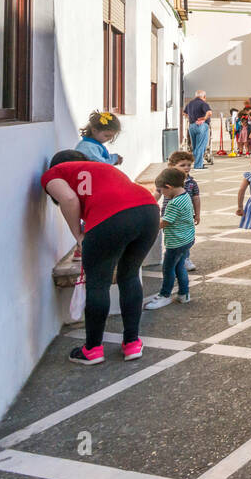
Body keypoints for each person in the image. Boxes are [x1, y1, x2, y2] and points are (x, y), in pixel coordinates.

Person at [41, 151, 159, 364]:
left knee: (97, 284)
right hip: (148, 210)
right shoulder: (104, 168)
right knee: (129, 275)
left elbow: (68, 198)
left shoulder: (53, 173)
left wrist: (78, 235)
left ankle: (92, 349)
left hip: (111, 220)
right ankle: (132, 343)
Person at [145, 167, 196, 310]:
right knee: (180, 267)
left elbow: (164, 222)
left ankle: (165, 295)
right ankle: (184, 294)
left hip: (176, 243)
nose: (162, 194)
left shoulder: (174, 203)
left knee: (168, 269)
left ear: (168, 187)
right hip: (186, 239)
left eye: (161, 191)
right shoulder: (185, 195)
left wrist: (148, 225)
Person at [164, 150, 201, 271]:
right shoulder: (167, 182)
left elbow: (196, 198)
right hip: (169, 215)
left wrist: (198, 214)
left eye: (189, 165)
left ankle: (185, 258)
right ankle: (174, 257)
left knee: (185, 237)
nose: (186, 168)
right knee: (172, 238)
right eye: (182, 165)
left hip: (186, 216)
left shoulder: (192, 183)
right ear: (172, 166)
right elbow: (158, 193)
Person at [184, 90, 212, 168]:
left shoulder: (190, 103)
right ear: (204, 96)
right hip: (201, 126)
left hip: (192, 126)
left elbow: (185, 113)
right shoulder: (203, 103)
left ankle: (197, 163)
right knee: (201, 146)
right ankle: (198, 165)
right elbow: (209, 112)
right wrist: (204, 118)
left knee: (195, 146)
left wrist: (191, 118)